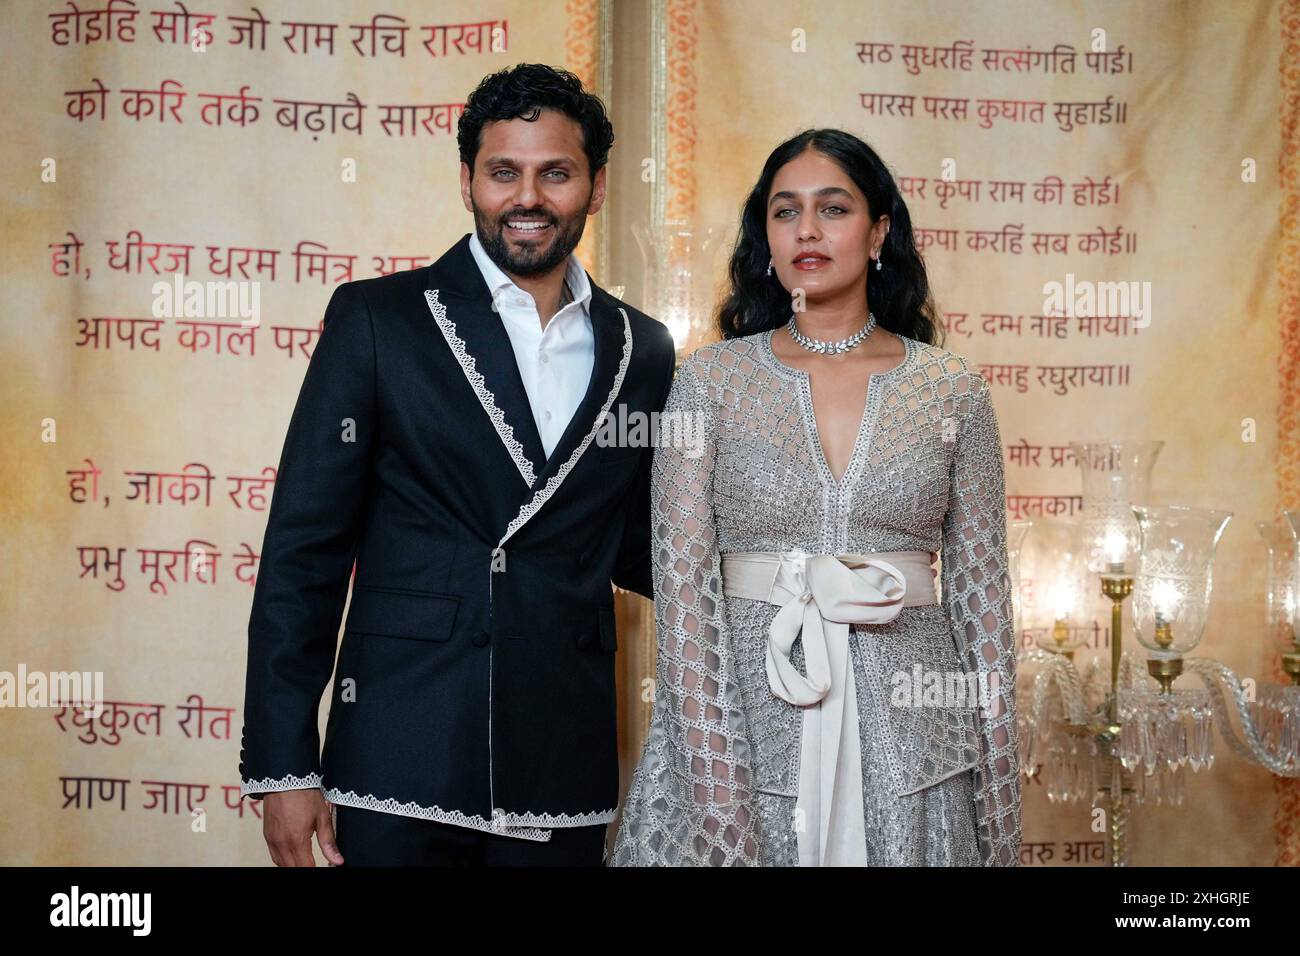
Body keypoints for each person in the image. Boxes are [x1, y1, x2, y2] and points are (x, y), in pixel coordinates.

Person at [238, 63, 676, 866]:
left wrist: (786, 563)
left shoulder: (641, 349)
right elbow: (305, 549)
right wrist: (284, 766)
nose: (528, 198)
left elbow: (634, 544)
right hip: (398, 750)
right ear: (468, 180)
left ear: (598, 184)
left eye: (557, 173)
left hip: (561, 755)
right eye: (503, 172)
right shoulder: (378, 320)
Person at [610, 128, 1021, 866]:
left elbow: (983, 598)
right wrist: (715, 790)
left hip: (918, 754)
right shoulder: (710, 383)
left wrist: (997, 812)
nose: (806, 229)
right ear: (763, 236)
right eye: (784, 211)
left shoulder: (952, 387)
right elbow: (683, 594)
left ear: (879, 232)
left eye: (833, 209)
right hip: (740, 749)